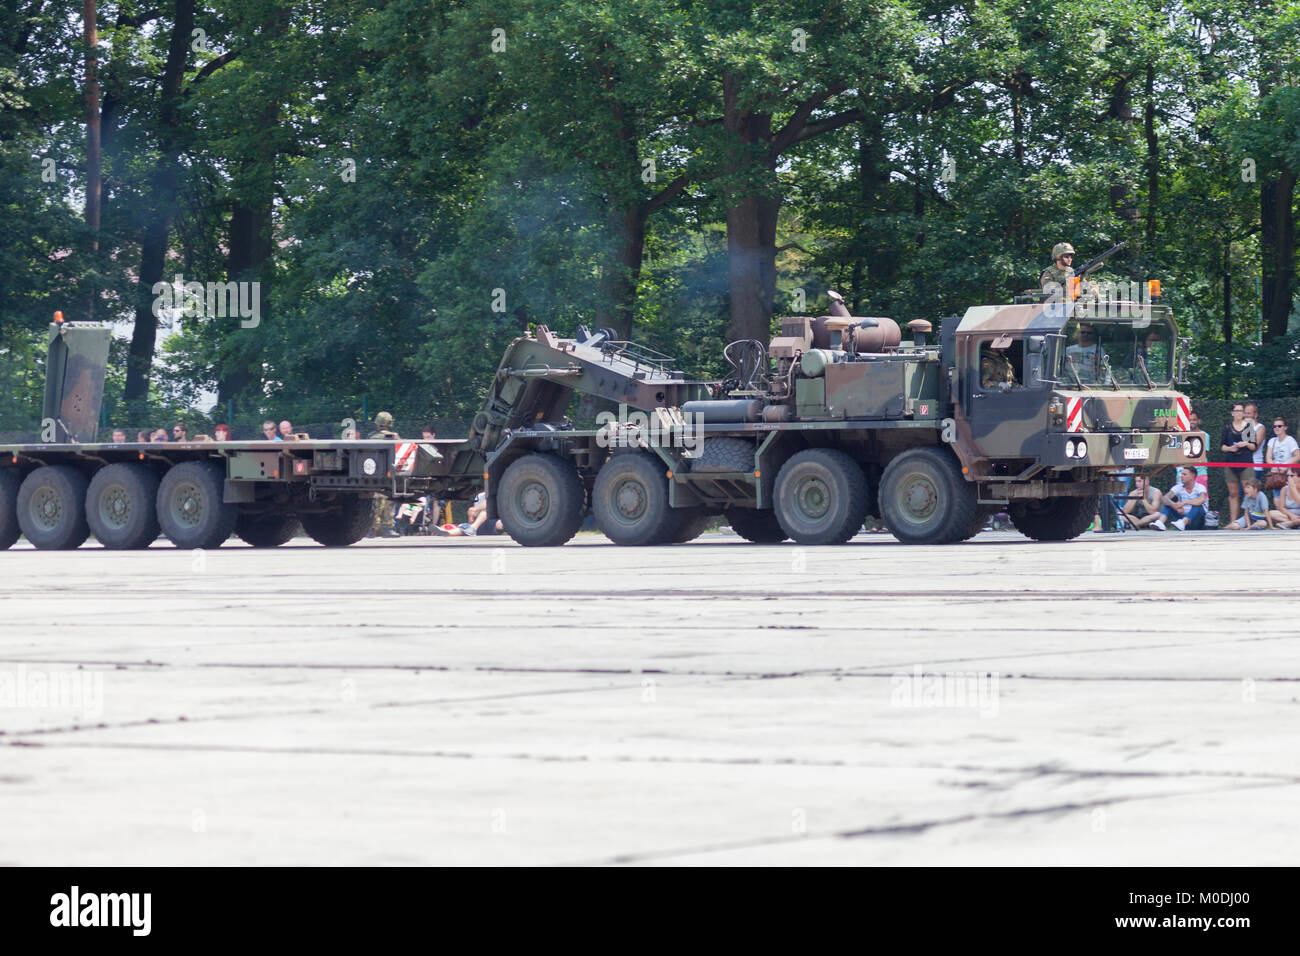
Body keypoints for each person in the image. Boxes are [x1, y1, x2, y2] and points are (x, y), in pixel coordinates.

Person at [1218, 401, 1256, 526]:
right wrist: (1230, 448)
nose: (1239, 413)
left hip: (1246, 462)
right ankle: (1233, 522)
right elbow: (1222, 447)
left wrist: (1245, 443)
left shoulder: (1248, 427)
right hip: (1230, 463)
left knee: (1248, 492)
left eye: (1241, 411)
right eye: (1237, 411)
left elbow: (1254, 446)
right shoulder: (1227, 428)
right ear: (1232, 413)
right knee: (1233, 494)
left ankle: (1249, 521)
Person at [368, 411, 400, 537]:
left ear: (377, 423)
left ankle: (371, 529)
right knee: (389, 501)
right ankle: (387, 529)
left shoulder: (371, 437)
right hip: (390, 473)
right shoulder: (395, 437)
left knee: (374, 501)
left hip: (374, 473)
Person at [1160, 466, 1208, 530]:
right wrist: (1174, 505)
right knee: (1167, 504)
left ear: (1192, 476)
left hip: (1198, 520)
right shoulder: (1178, 487)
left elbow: (1202, 500)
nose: (1181, 476)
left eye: (1184, 474)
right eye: (1181, 474)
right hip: (1182, 516)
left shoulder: (1200, 487)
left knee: (1198, 506)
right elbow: (1164, 498)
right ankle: (1160, 523)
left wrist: (1184, 503)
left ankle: (1182, 523)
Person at [1264, 416, 1300, 490]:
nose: (1277, 428)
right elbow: (1268, 457)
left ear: (1285, 427)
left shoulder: (1290, 440)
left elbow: (1298, 455)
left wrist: (1285, 466)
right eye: (1275, 426)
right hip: (1275, 475)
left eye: (1279, 426)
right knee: (1277, 499)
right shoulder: (1272, 441)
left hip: (1288, 475)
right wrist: (1274, 466)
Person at [1187, 409, 1211, 490]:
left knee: (1202, 498)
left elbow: (1205, 454)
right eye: (1190, 420)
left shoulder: (1204, 435)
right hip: (1186, 472)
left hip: (1200, 473)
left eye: (1194, 420)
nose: (1192, 422)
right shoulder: (1183, 435)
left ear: (1199, 421)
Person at [1244, 402, 1267, 483]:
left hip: (1254, 467)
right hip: (1242, 466)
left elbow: (1254, 447)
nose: (1246, 415)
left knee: (1252, 494)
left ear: (1255, 414)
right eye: (1245, 413)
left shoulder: (1260, 428)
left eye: (1249, 413)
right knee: (1239, 494)